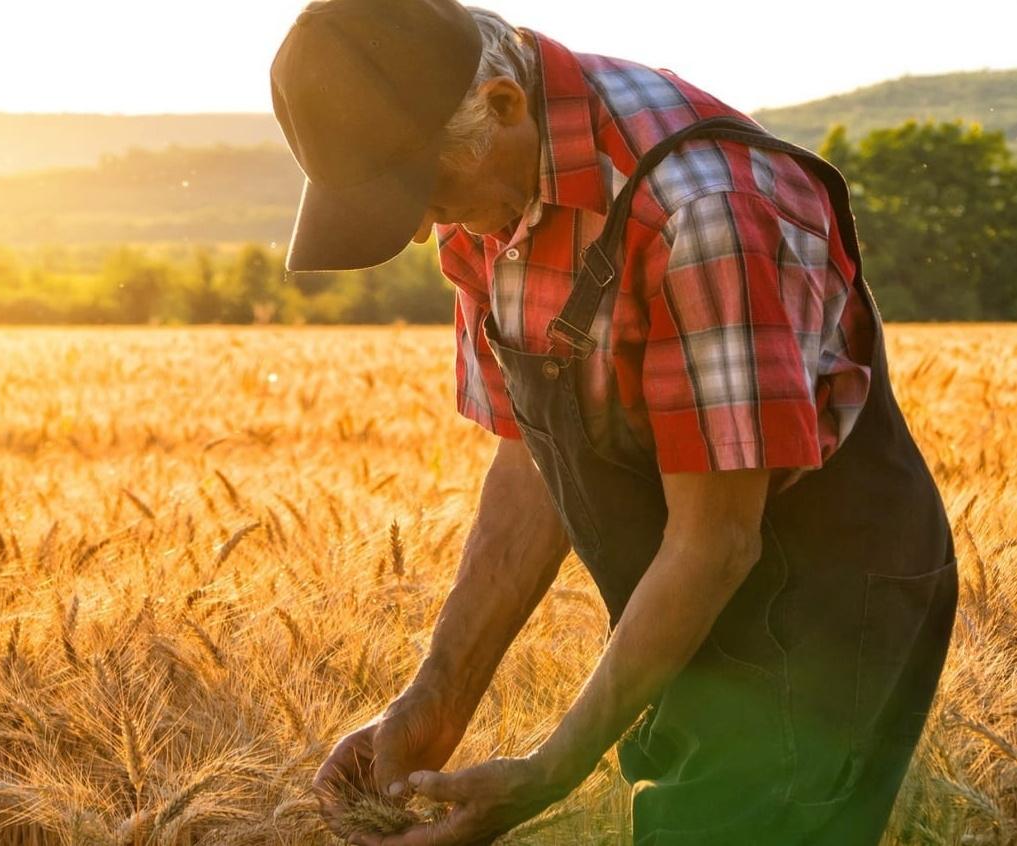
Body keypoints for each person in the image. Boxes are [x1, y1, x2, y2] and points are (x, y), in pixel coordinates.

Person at [268, 1, 959, 844]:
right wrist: (432, 702)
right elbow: (532, 462)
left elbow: (716, 542)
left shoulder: (703, 213)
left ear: (501, 105)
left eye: (425, 190)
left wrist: (551, 772)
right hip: (677, 598)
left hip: (813, 609)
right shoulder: (491, 185)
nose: (420, 229)